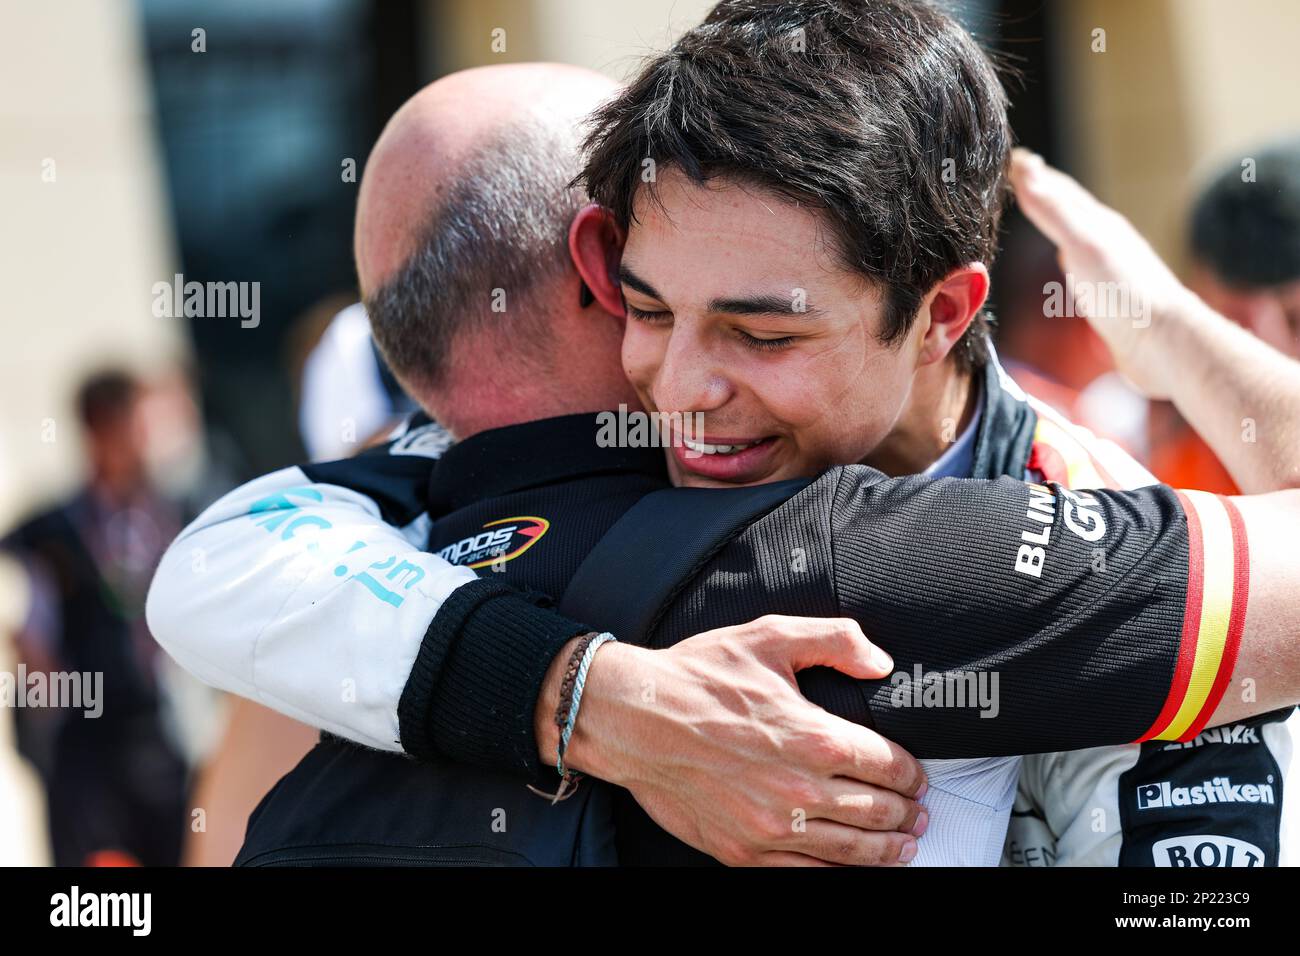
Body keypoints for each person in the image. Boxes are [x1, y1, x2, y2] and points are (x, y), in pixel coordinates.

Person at [150, 2, 1300, 866]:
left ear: (941, 311)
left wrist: (1166, 333)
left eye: (760, 333)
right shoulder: (538, 472)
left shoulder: (1077, 508)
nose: (686, 387)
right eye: (647, 309)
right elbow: (225, 558)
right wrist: (596, 702)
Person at [6, 370, 190, 866]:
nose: (150, 442)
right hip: (85, 754)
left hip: (158, 739)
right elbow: (29, 639)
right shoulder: (45, 533)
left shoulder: (175, 515)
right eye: (137, 426)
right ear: (101, 430)